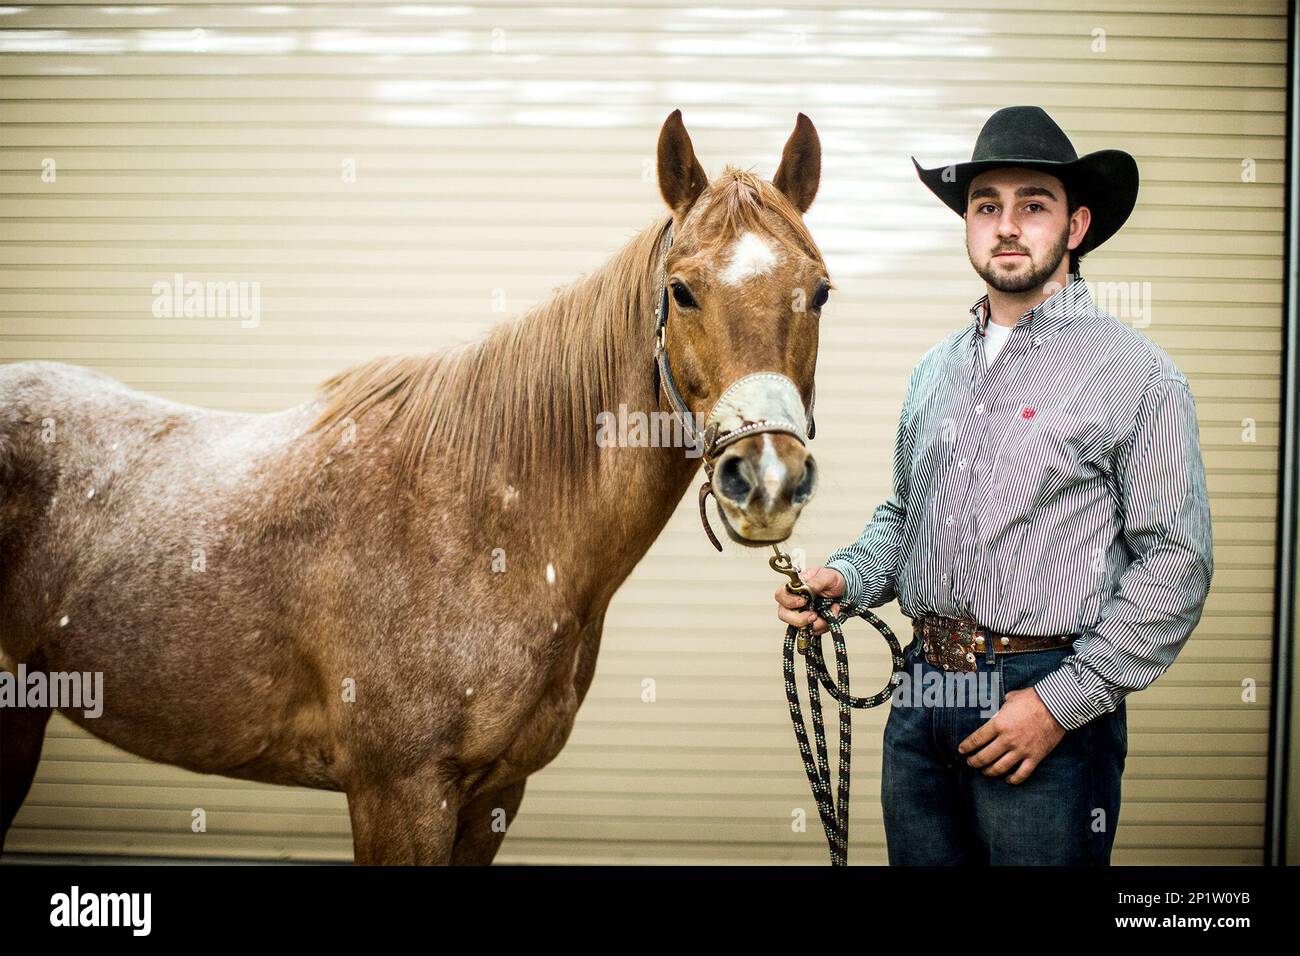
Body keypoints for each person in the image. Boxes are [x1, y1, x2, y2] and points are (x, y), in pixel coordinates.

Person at [774, 105, 1214, 865]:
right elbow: (906, 516)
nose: (1007, 225)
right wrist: (844, 579)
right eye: (987, 206)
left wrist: (1056, 705)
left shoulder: (1138, 377)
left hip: (1043, 699)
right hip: (921, 698)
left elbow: (1177, 566)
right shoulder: (935, 371)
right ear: (970, 226)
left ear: (1075, 226)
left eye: (1032, 205)